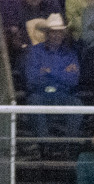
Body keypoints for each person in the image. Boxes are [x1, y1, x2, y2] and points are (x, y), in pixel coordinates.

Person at [24, 14, 82, 155]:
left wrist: (48, 72)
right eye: (53, 32)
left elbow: (73, 80)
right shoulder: (34, 51)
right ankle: (45, 145)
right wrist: (63, 72)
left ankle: (69, 146)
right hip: (40, 93)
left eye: (60, 32)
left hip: (63, 94)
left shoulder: (70, 53)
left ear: (63, 34)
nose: (57, 35)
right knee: (34, 102)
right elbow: (31, 78)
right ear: (47, 33)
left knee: (77, 104)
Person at [4, 0, 61, 72]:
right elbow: (15, 40)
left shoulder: (50, 9)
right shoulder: (18, 13)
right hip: (29, 54)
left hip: (51, 50)